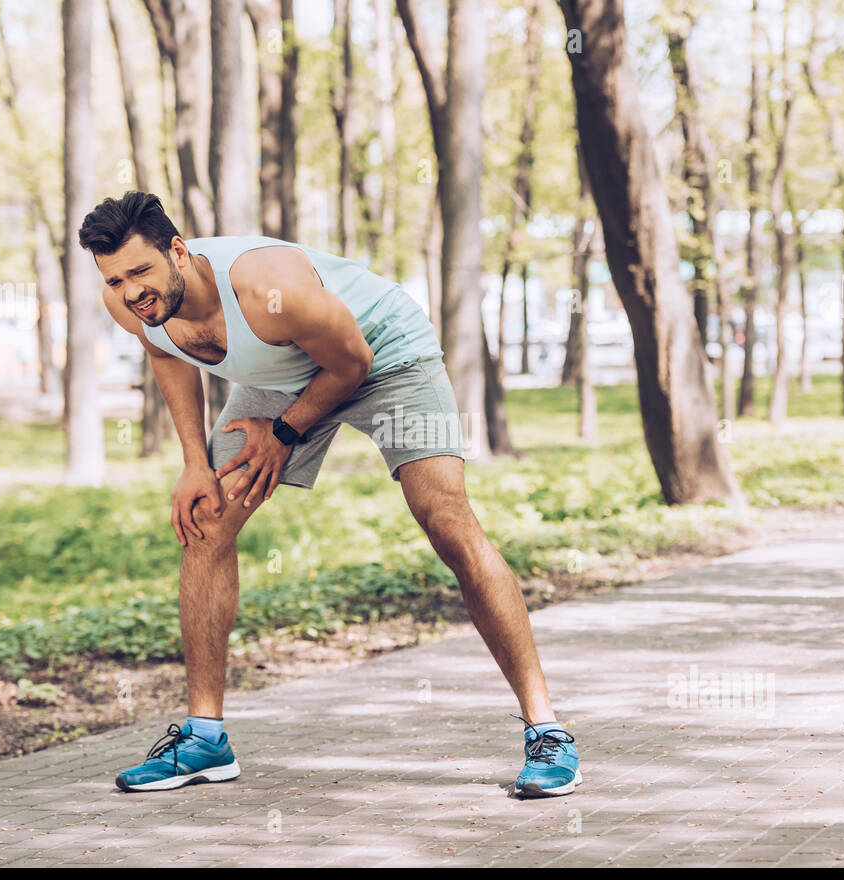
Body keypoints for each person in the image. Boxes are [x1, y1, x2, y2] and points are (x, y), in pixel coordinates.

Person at [77, 191, 580, 798]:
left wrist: (284, 433)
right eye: (116, 279)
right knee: (206, 519)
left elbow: (352, 364)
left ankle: (546, 731)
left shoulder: (265, 286)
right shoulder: (131, 304)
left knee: (445, 519)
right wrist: (193, 463)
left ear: (178, 253)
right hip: (279, 371)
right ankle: (205, 740)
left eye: (140, 272)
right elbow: (167, 353)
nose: (131, 292)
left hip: (384, 357)